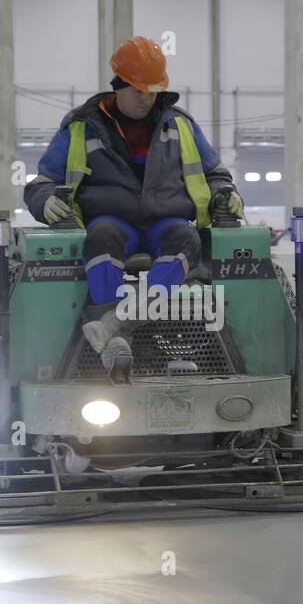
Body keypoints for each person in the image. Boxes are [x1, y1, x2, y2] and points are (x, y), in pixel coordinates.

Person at [24, 36, 242, 379]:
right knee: (101, 236)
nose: (147, 99)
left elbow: (214, 172)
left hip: (165, 219)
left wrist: (227, 191)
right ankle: (117, 331)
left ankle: (115, 325)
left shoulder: (180, 124)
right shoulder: (81, 126)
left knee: (186, 241)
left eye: (153, 90)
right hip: (114, 219)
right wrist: (44, 200)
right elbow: (44, 180)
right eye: (139, 91)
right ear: (118, 87)